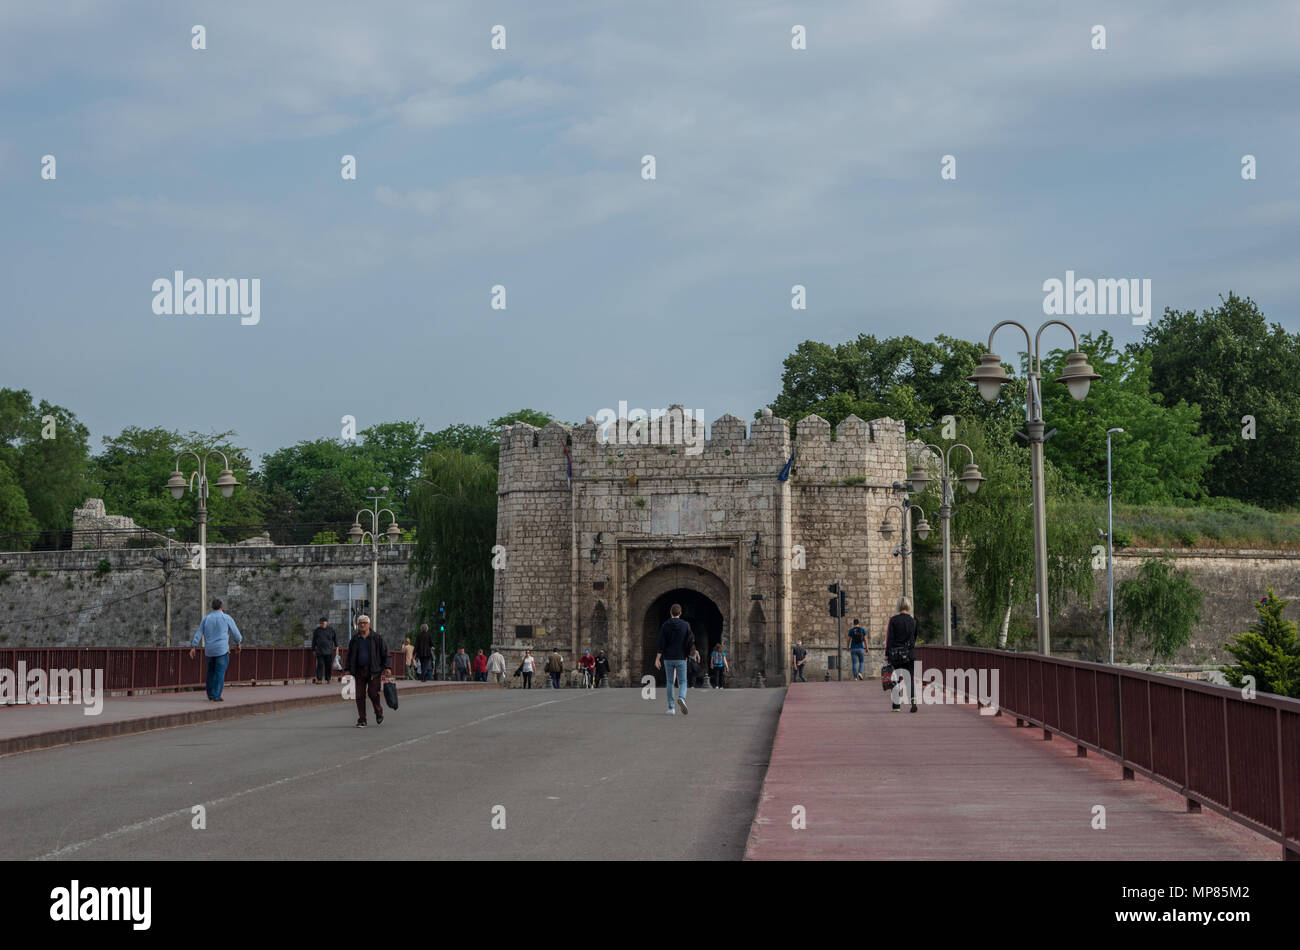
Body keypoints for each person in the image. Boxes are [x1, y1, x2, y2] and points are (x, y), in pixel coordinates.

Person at [189, 598, 243, 702]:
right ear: (221, 607)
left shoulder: (206, 619)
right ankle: (216, 695)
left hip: (209, 650)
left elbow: (199, 633)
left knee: (210, 672)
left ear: (212, 607)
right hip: (221, 650)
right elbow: (236, 633)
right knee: (219, 673)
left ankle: (210, 694)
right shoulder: (226, 618)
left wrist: (194, 646)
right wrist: (238, 643)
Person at [344, 615, 391, 727]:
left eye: (364, 623)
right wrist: (347, 669)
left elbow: (386, 653)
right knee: (359, 695)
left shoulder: (377, 638)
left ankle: (378, 711)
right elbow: (349, 655)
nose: (362, 625)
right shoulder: (355, 640)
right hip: (359, 671)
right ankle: (362, 719)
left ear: (369, 624)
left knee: (373, 693)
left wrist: (388, 667)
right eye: (360, 623)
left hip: (373, 671)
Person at [655, 603, 694, 715]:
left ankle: (671, 708)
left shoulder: (665, 625)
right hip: (681, 657)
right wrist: (687, 654)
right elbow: (691, 640)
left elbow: (661, 643)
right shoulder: (686, 625)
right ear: (680, 613)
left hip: (668, 658)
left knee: (670, 682)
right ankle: (681, 697)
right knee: (682, 681)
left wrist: (657, 658)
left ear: (670, 613)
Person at [885, 597, 919, 713]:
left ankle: (896, 706)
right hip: (909, 654)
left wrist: (887, 654)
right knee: (910, 679)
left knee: (895, 679)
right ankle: (913, 699)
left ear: (898, 606)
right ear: (908, 606)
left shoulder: (893, 620)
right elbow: (914, 638)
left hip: (895, 654)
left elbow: (890, 638)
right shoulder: (913, 621)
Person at [311, 616, 339, 684]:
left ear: (327, 623)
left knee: (328, 666)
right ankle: (319, 679)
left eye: (324, 623)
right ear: (320, 623)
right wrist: (313, 650)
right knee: (320, 665)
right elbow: (314, 640)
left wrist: (337, 647)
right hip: (320, 651)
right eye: (321, 623)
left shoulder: (331, 630)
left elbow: (335, 639)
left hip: (329, 651)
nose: (323, 624)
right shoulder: (317, 630)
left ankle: (328, 679)